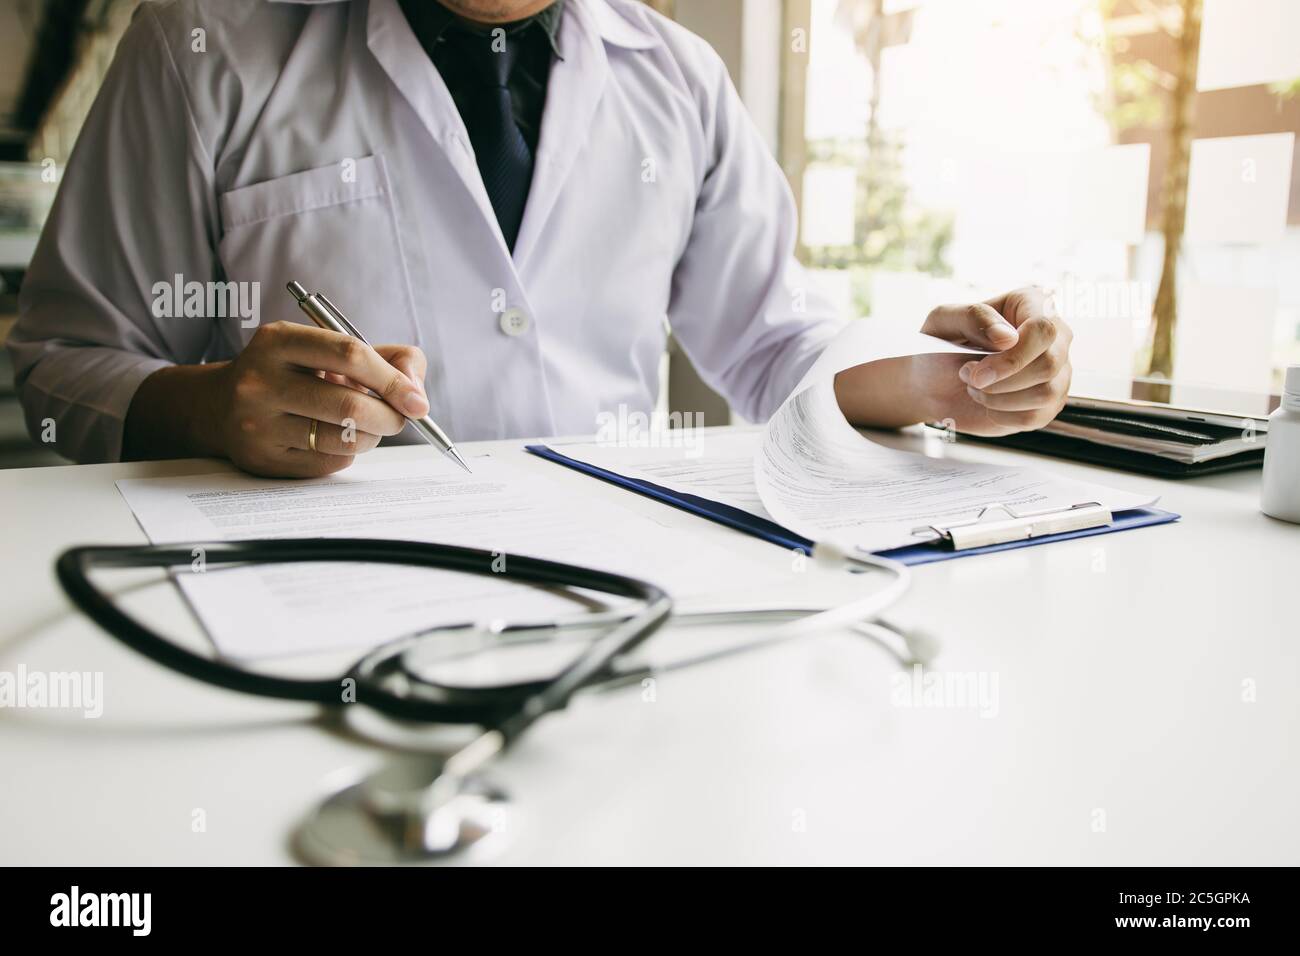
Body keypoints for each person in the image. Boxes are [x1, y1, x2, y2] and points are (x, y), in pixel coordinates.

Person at [8, 0, 1072, 477]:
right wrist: (207, 408)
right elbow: (60, 364)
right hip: (310, 587)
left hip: (611, 585)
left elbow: (772, 343)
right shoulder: (202, 44)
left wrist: (951, 383)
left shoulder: (678, 76)